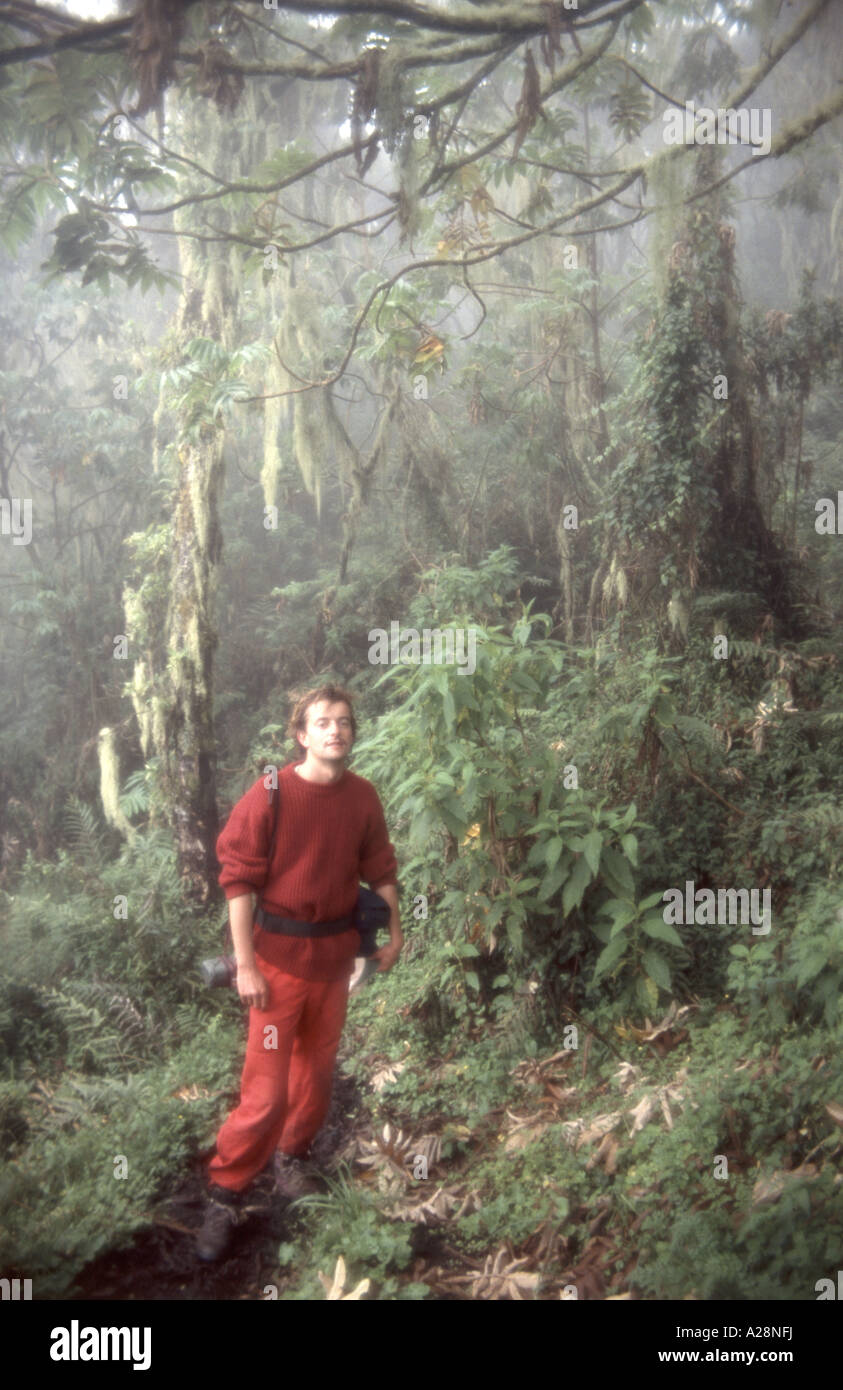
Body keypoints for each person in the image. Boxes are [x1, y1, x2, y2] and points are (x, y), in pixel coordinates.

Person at [196, 684, 402, 1262]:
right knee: (265, 1090)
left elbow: (381, 868)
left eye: (344, 721)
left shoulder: (362, 796)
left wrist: (393, 935)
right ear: (302, 734)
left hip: (334, 967)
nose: (335, 730)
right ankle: (225, 1193)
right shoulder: (271, 792)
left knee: (315, 1073)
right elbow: (238, 882)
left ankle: (293, 1157)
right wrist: (245, 965)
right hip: (276, 969)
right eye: (323, 722)